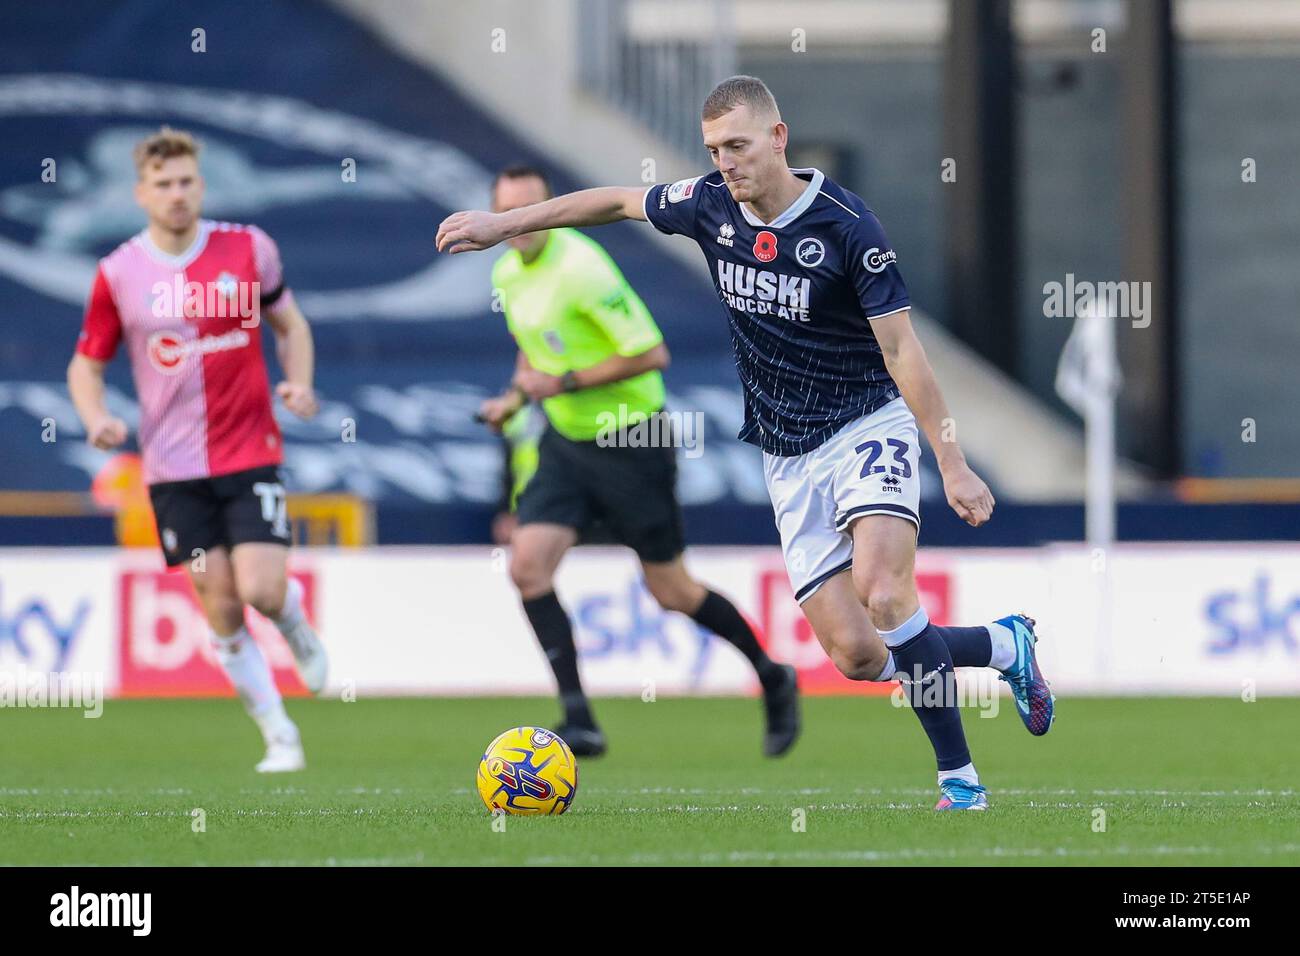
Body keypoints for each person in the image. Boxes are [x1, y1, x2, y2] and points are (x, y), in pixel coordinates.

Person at [439, 78, 1054, 809]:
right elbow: (608, 201)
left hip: (865, 425)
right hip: (787, 455)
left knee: (885, 591)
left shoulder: (849, 228)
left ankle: (960, 781)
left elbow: (903, 351)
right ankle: (1003, 644)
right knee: (858, 654)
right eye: (713, 150)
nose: (725, 163)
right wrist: (504, 225)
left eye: (738, 145)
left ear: (778, 137)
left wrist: (951, 461)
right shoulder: (708, 205)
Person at [476, 164, 801, 757]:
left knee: (672, 591)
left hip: (632, 440)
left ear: (548, 209)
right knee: (528, 567)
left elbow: (652, 353)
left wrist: (567, 381)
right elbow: (534, 358)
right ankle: (580, 719)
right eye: (506, 216)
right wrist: (514, 400)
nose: (517, 226)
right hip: (567, 441)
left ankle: (771, 674)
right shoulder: (506, 270)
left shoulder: (582, 269)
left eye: (527, 212)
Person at [67, 127, 327, 773]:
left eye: (185, 182)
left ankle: (292, 620)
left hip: (249, 449)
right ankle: (279, 735)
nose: (176, 194)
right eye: (163, 184)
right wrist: (95, 418)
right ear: (140, 193)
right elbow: (85, 364)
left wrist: (299, 381)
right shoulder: (119, 272)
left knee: (263, 590)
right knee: (221, 604)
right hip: (173, 468)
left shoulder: (247, 249)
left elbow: (290, 324)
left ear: (201, 185)